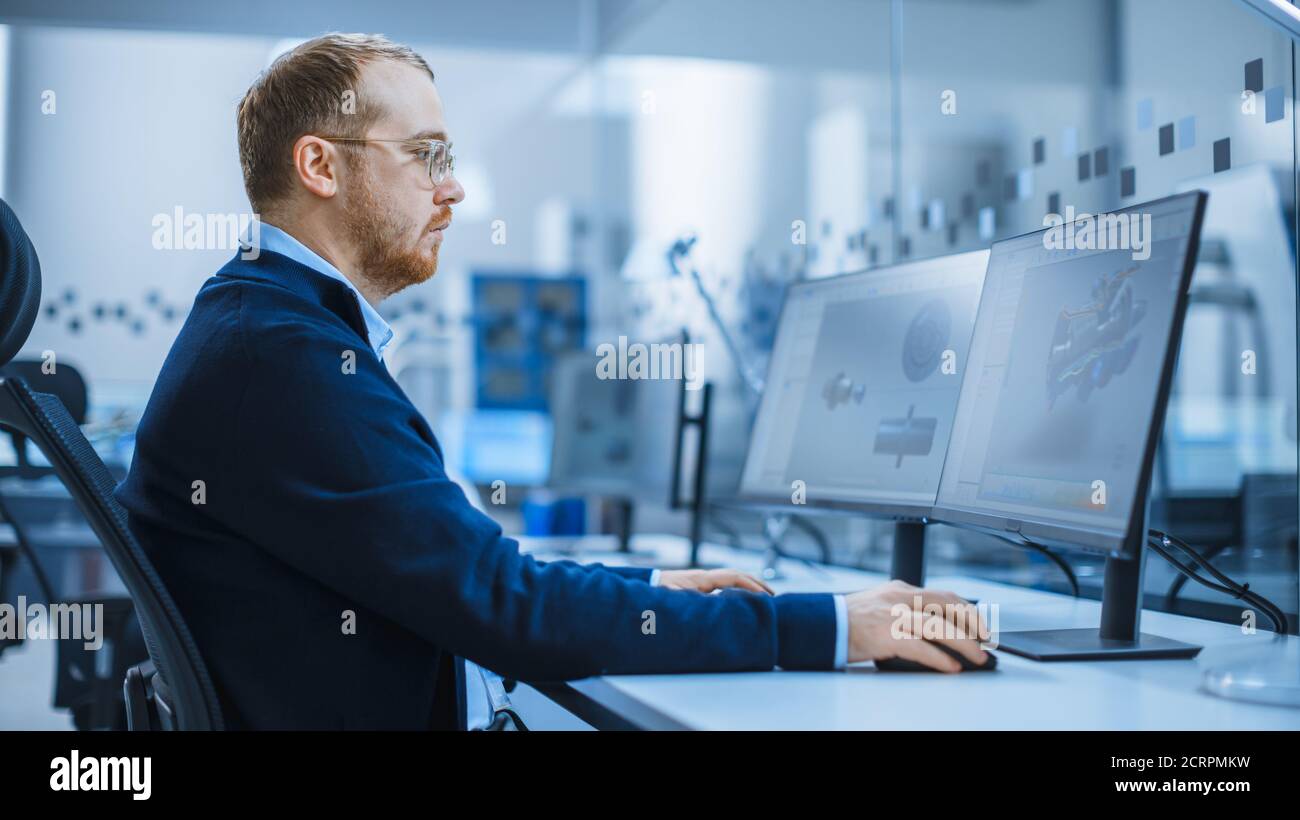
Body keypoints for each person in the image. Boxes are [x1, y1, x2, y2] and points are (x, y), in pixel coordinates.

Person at [115, 33, 988, 730]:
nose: (451, 188)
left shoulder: (269, 328)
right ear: (320, 166)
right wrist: (833, 626)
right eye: (424, 155)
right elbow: (502, 607)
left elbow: (465, 575)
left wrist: (641, 592)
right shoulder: (281, 356)